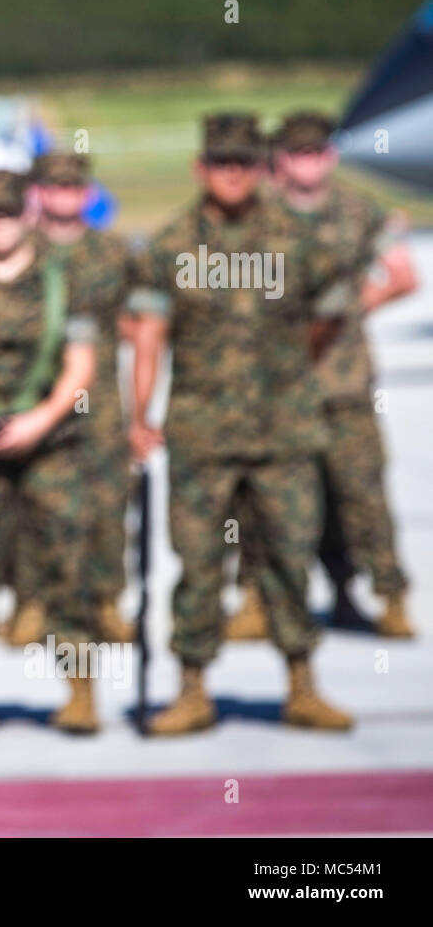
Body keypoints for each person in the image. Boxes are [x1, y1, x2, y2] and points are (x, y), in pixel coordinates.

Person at [129, 112, 353, 735]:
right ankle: (193, 689)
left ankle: (302, 686)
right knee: (198, 563)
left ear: (262, 169)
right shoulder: (174, 242)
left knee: (288, 558)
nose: (233, 174)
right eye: (222, 163)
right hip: (201, 433)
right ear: (202, 169)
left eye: (244, 163)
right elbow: (150, 334)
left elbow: (329, 314)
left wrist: (286, 374)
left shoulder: (298, 238)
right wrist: (139, 415)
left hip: (284, 432)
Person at [227, 110, 417, 641]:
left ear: (330, 157)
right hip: (271, 388)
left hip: (343, 384)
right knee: (262, 497)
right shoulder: (256, 217)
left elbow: (403, 276)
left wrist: (348, 312)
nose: (307, 164)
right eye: (296, 154)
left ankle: (387, 595)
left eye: (315, 153)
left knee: (359, 493)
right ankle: (255, 599)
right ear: (279, 160)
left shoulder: (358, 213)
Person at [0, 170, 104, 734]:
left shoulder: (61, 281)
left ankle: (81, 692)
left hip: (51, 446)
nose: (1, 226)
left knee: (67, 568)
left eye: (10, 214)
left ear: (27, 215)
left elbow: (80, 363)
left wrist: (40, 420)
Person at [29, 151, 136, 647]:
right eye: (53, 188)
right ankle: (33, 604)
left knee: (107, 506)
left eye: (73, 188)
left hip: (101, 401)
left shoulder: (114, 253)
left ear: (88, 195)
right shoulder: (20, 250)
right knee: (33, 506)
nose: (63, 197)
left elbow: (141, 324)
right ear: (38, 193)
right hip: (34, 398)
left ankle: (107, 602)